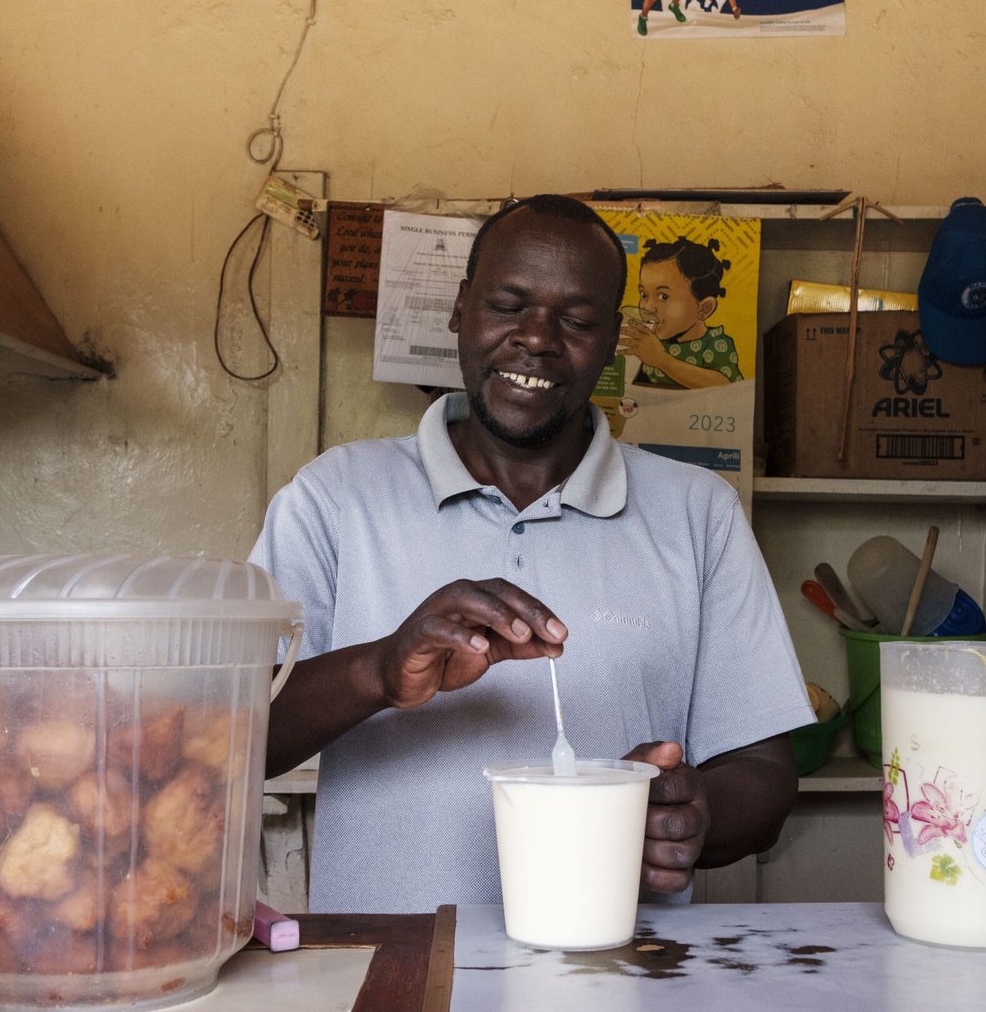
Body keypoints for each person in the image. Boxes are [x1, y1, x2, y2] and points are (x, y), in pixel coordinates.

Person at [249, 195, 811, 914]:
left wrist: (695, 814)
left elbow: (765, 771)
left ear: (612, 339)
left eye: (576, 320)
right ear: (461, 310)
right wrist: (379, 669)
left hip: (619, 968)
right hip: (387, 965)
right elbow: (228, 741)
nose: (537, 338)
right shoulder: (334, 498)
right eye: (508, 306)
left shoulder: (698, 513)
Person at [622, 236, 745, 389]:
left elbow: (727, 388)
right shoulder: (651, 341)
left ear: (704, 308)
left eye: (663, 296)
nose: (647, 308)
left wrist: (662, 360)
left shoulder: (715, 344)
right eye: (644, 295)